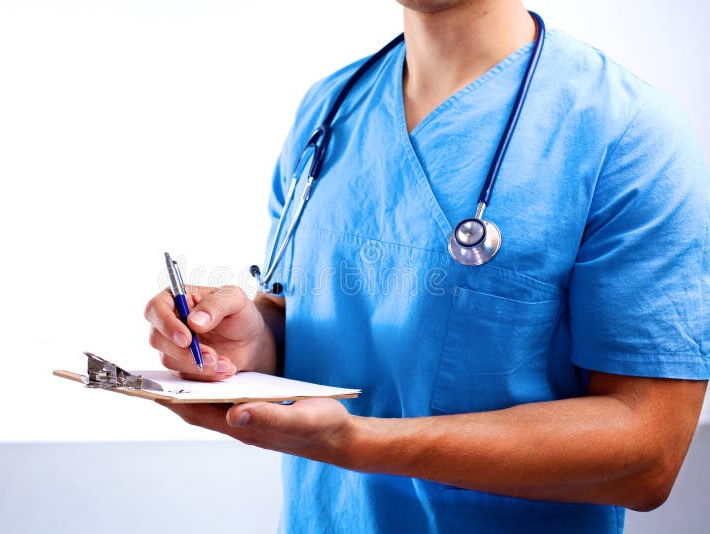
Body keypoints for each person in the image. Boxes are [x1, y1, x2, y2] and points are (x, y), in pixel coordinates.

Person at [144, 1, 710, 532]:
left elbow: (647, 456)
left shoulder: (629, 134)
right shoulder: (330, 109)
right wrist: (252, 343)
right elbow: (332, 323)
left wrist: (358, 443)